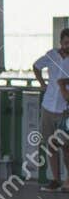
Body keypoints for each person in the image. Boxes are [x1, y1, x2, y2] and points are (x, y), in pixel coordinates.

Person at [32, 29, 69, 190]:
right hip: (48, 105)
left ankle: (68, 180)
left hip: (64, 108)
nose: (68, 46)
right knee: (50, 144)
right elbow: (36, 66)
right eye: (66, 42)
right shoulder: (51, 55)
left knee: (66, 146)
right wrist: (42, 84)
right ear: (60, 42)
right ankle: (55, 179)